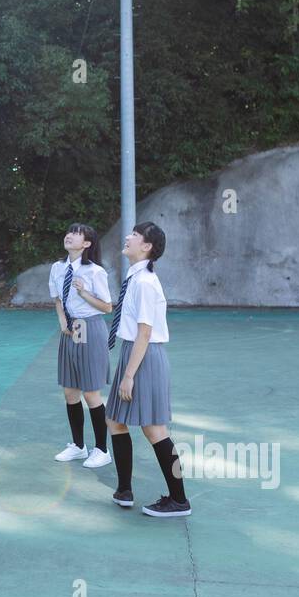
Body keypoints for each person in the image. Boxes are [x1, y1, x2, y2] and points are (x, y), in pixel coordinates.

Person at [104, 222, 190, 517]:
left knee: (154, 430)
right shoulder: (134, 276)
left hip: (143, 357)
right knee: (115, 420)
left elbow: (144, 332)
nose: (128, 237)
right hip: (134, 353)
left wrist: (128, 375)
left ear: (147, 247)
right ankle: (124, 490)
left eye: (135, 235)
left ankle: (179, 500)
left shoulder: (144, 282)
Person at [48, 224, 114, 468]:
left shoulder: (95, 272)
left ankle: (102, 449)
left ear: (86, 244)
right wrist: (62, 321)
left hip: (90, 327)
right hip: (71, 329)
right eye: (69, 231)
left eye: (76, 233)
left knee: (90, 392)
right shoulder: (57, 268)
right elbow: (57, 298)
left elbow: (107, 307)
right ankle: (78, 446)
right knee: (70, 391)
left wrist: (84, 294)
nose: (69, 235)